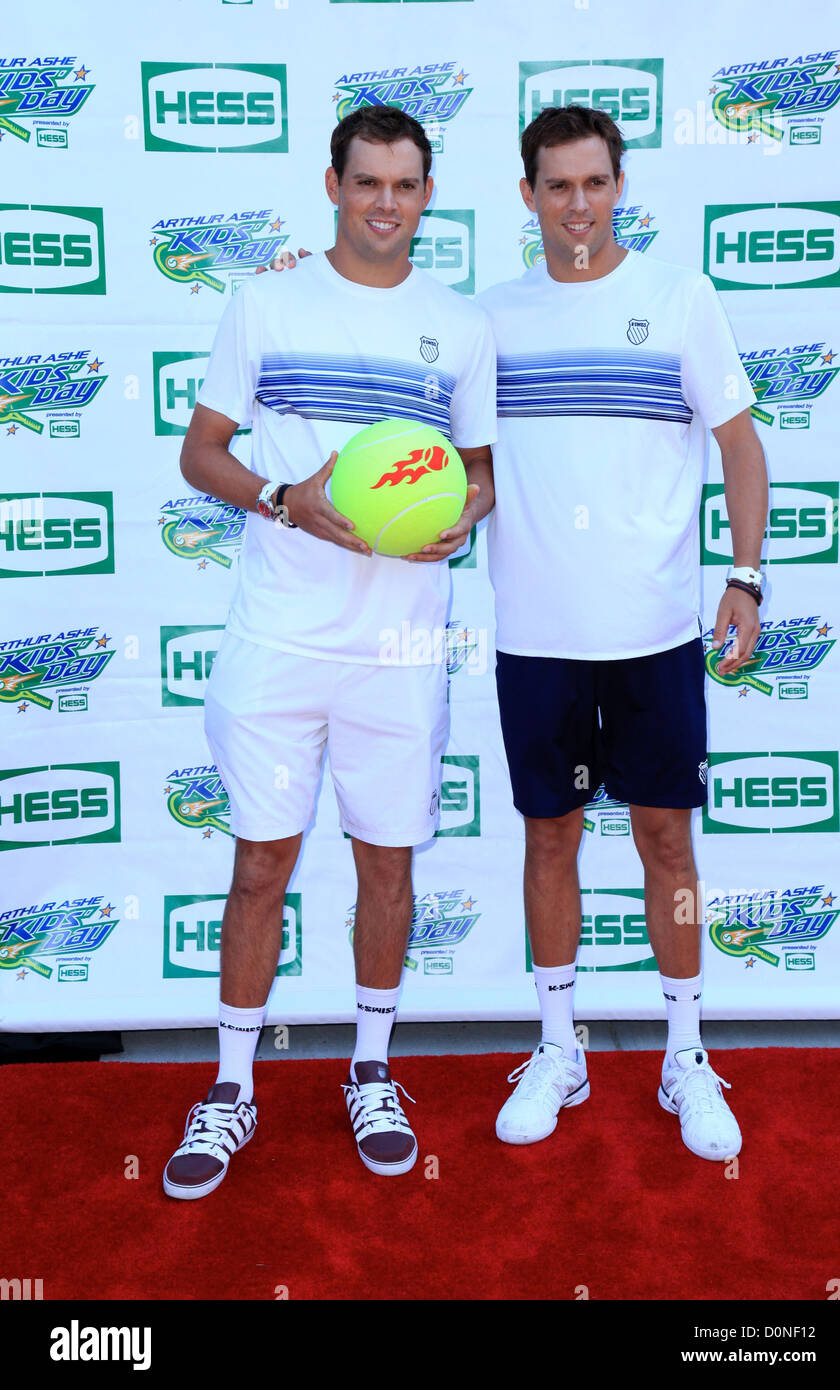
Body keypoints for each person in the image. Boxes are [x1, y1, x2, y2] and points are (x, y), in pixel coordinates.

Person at [162, 106, 497, 1197]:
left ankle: (368, 1066)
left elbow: (480, 472)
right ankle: (228, 1086)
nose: (385, 205)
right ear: (332, 183)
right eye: (367, 184)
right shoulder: (264, 299)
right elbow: (200, 454)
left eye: (405, 186)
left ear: (427, 194)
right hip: (279, 636)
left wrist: (466, 513)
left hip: (400, 644)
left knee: (385, 866)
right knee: (260, 861)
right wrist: (283, 498)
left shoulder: (458, 324)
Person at [477, 105, 767, 1161]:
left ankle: (683, 1051)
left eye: (593, 183)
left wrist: (743, 577)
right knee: (548, 837)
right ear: (527, 197)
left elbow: (738, 446)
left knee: (664, 842)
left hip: (654, 634)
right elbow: (470, 471)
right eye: (556, 186)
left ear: (619, 186)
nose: (577, 204)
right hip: (536, 636)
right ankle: (559, 1045)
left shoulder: (678, 298)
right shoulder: (492, 318)